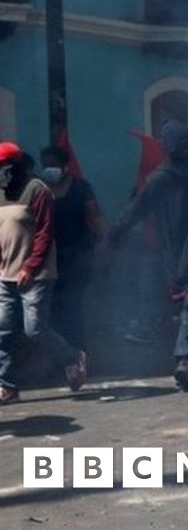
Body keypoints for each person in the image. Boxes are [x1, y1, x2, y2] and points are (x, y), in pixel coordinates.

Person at [109, 120, 188, 390]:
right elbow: (137, 208)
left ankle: (185, 359)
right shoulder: (160, 178)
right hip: (174, 249)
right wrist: (117, 230)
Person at [0, 142, 88, 404]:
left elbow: (44, 233)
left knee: (35, 329)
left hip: (36, 274)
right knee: (1, 329)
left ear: (15, 166)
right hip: (4, 274)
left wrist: (30, 266)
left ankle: (72, 357)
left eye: (4, 167)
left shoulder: (37, 190)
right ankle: (6, 385)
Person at [40, 146, 106, 350]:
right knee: (52, 307)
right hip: (49, 257)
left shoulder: (80, 187)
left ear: (64, 165)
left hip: (78, 254)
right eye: (46, 165)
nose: (50, 169)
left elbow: (95, 217)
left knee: (73, 304)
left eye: (54, 165)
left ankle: (77, 350)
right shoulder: (39, 189)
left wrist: (109, 241)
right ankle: (61, 352)